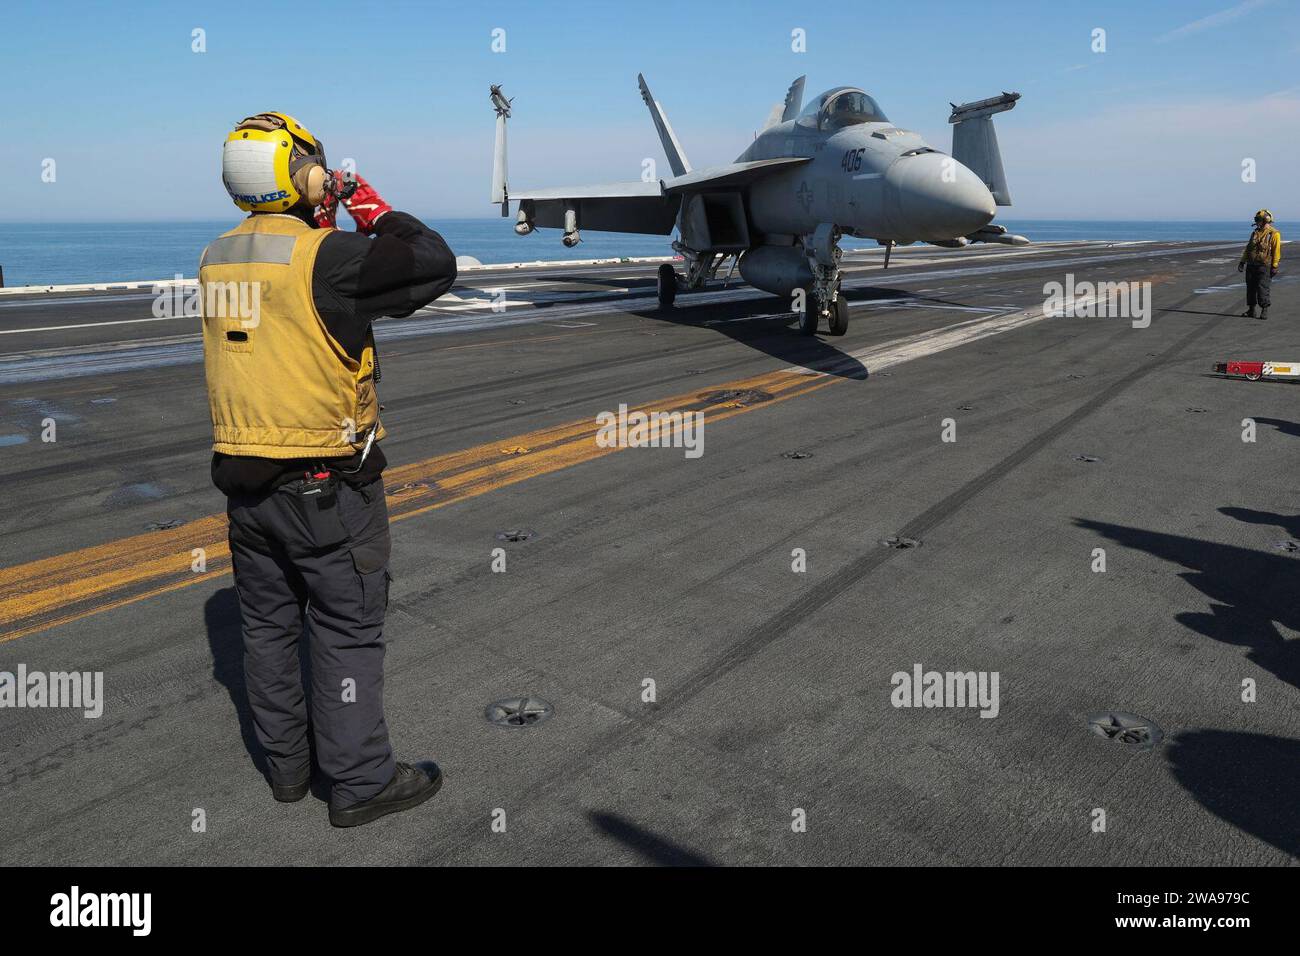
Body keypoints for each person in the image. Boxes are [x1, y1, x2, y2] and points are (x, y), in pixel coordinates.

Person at [199, 112, 456, 827]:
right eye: (312, 164)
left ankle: (287, 771)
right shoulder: (329, 259)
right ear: (300, 172)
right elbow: (433, 260)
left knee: (268, 629)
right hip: (325, 487)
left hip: (245, 491)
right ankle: (360, 783)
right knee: (345, 628)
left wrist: (316, 213)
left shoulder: (216, 256)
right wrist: (363, 201)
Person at [1238, 208, 1282, 320]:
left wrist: (1275, 266)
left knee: (1263, 288)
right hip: (1251, 265)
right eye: (1256, 219)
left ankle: (1264, 309)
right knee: (1250, 288)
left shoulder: (1274, 234)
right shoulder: (1255, 233)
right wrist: (1242, 261)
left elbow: (1276, 251)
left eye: (1258, 219)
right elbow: (1248, 249)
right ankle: (1251, 310)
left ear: (1266, 220)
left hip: (1264, 266)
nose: (1256, 221)